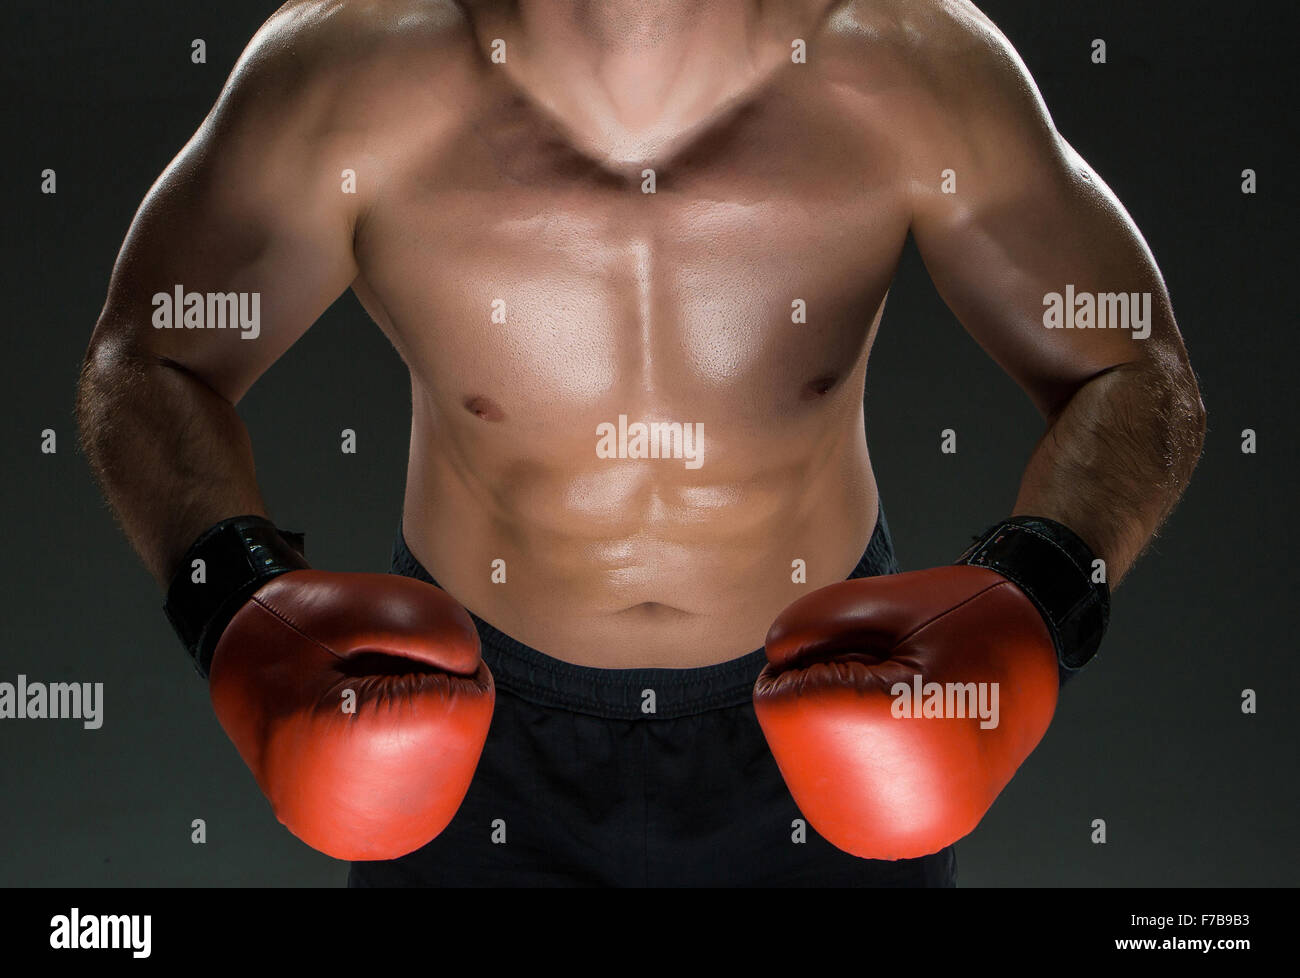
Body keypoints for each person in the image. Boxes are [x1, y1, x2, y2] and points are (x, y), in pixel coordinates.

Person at [76, 0, 1205, 886]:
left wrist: (1032, 604)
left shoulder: (903, 66)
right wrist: (237, 604)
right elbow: (146, 360)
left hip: (836, 729)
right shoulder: (355, 77)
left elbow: (1137, 371)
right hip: (465, 747)